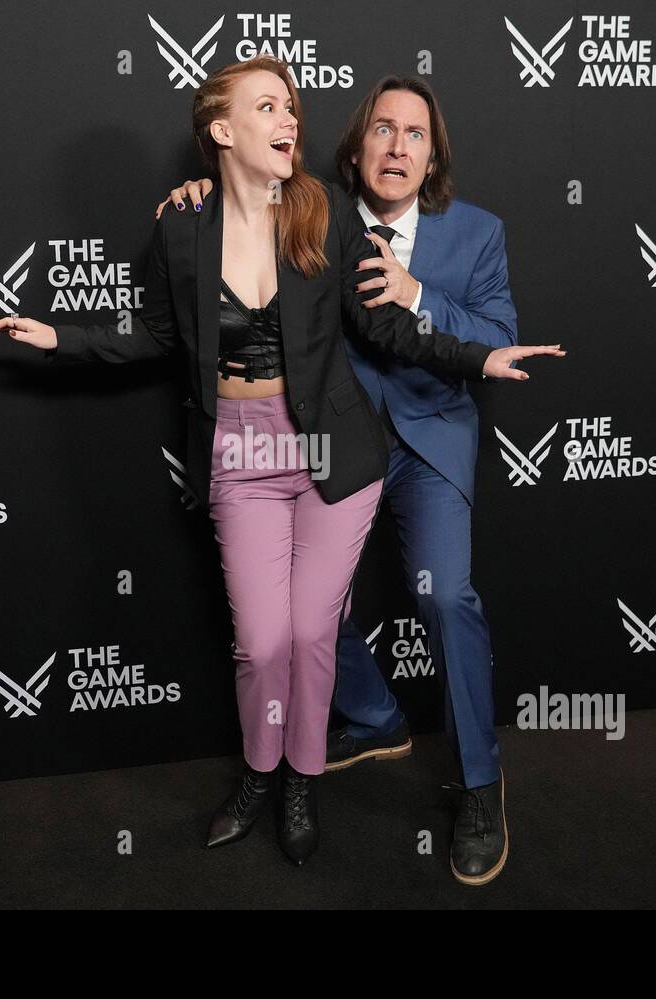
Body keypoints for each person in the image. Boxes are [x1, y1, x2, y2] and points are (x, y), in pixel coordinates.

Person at [0, 55, 563, 866]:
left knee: (314, 632)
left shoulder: (320, 211)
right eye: (269, 107)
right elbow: (150, 333)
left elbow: (386, 328)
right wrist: (58, 338)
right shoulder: (181, 225)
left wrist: (477, 359)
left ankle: (303, 779)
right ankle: (258, 772)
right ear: (223, 130)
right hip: (238, 452)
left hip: (333, 455)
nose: (291, 118)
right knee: (261, 641)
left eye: (293, 106)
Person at [158, 74, 532, 886]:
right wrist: (204, 192)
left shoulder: (475, 233)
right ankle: (373, 716)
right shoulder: (310, 208)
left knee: (442, 595)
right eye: (383, 131)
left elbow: (498, 332)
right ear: (356, 147)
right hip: (332, 443)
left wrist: (421, 294)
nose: (398, 147)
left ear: (433, 156)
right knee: (305, 613)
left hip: (427, 440)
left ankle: (477, 784)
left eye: (416, 135)